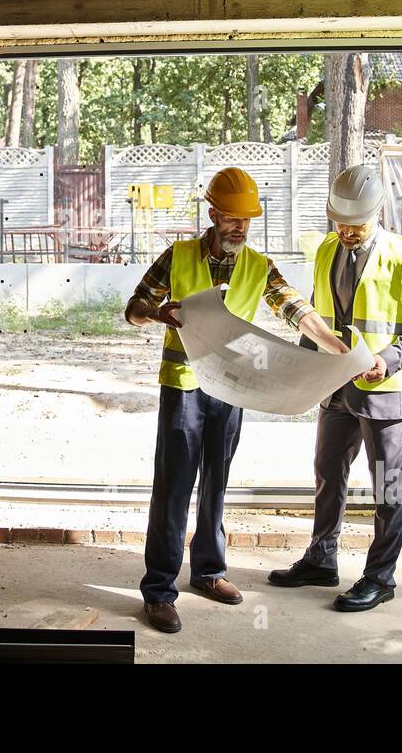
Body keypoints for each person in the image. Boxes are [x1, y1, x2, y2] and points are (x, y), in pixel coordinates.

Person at [125, 166, 348, 634]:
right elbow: (133, 309)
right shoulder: (178, 256)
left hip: (232, 387)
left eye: (247, 221)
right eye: (231, 219)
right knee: (174, 487)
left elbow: (294, 309)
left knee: (216, 484)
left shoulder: (258, 265)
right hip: (184, 385)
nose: (240, 228)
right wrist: (158, 314)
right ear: (213, 214)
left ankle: (208, 572)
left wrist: (337, 349)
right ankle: (159, 591)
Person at [268, 163, 402, 611]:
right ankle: (321, 560)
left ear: (378, 212)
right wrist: (301, 362)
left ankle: (379, 578)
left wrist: (387, 360)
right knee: (328, 476)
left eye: (355, 223)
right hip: (334, 389)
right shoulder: (327, 249)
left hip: (385, 393)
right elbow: (319, 317)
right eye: (340, 222)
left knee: (389, 487)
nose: (346, 231)